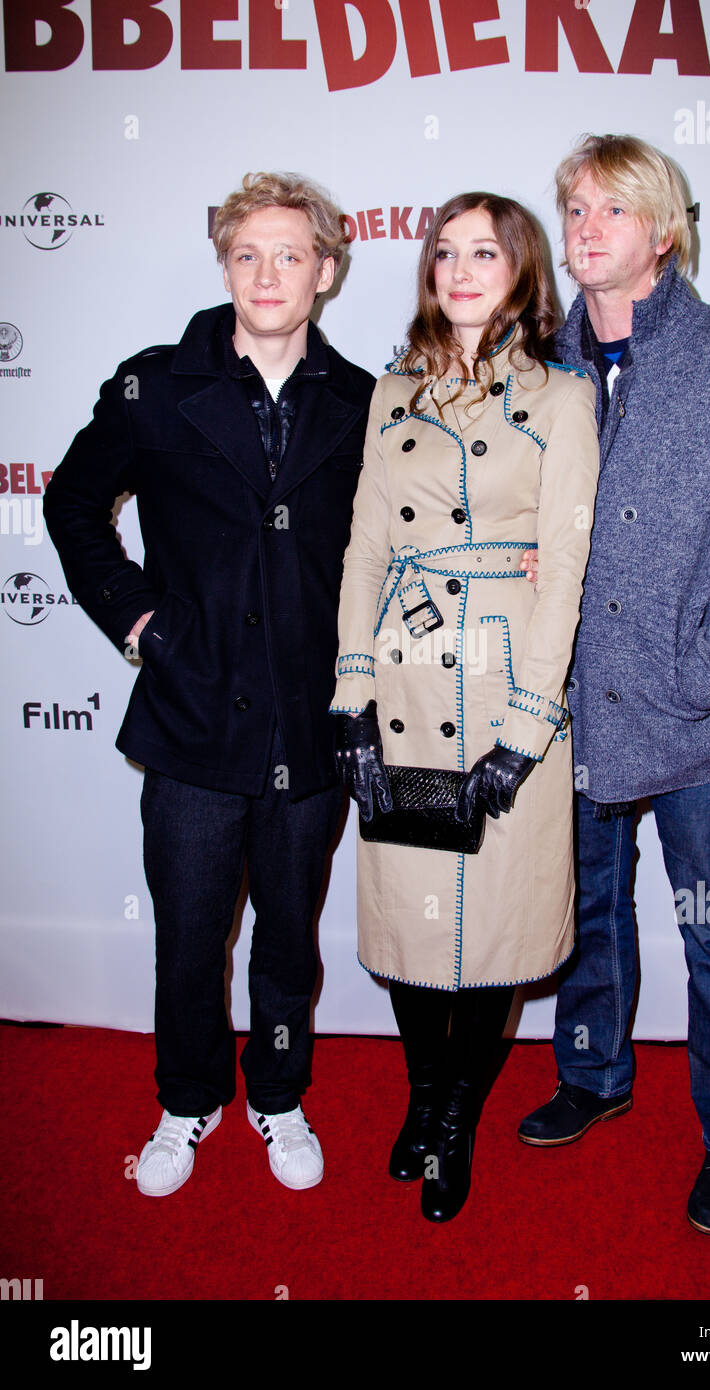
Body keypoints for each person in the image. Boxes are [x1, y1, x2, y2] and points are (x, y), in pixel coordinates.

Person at [44, 172, 375, 1197]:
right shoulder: (157, 384)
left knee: (287, 934)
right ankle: (187, 1099)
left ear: (325, 271)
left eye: (289, 254)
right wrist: (139, 620)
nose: (266, 273)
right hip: (191, 718)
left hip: (308, 726)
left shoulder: (364, 401)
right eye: (246, 254)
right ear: (224, 264)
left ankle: (277, 1094)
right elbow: (69, 502)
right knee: (189, 934)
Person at [517, 135, 710, 1235]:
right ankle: (593, 1076)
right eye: (572, 209)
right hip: (573, 713)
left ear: (661, 228)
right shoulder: (539, 368)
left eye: (609, 207)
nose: (584, 227)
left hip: (691, 722)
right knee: (588, 913)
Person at [330, 193, 599, 1222]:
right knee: (408, 925)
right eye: (444, 250)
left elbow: (565, 565)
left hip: (500, 688)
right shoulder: (390, 390)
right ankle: (423, 1091)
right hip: (400, 682)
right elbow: (363, 549)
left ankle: (456, 1119)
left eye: (483, 250)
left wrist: (527, 725)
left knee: (488, 931)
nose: (459, 267)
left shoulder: (563, 396)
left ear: (521, 268)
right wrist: (350, 695)